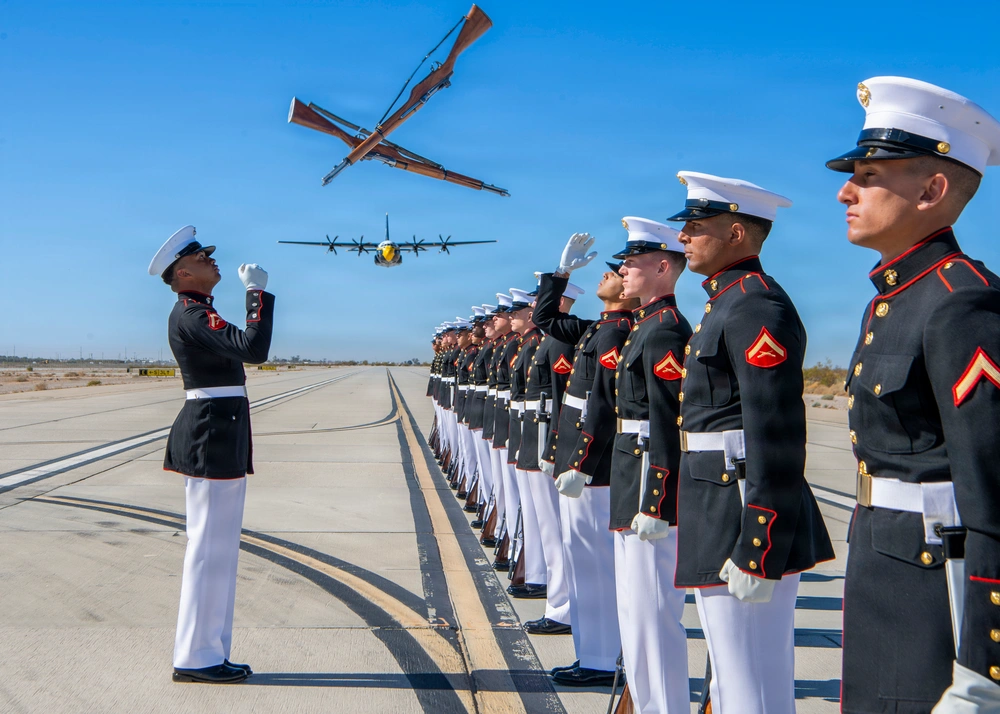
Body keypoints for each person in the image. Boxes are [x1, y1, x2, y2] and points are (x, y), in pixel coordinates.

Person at [825, 76, 1000, 712]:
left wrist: (986, 666)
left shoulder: (961, 301)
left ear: (932, 190)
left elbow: (993, 492)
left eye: (869, 175)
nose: (845, 190)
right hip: (886, 562)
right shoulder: (896, 299)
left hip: (935, 593)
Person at [669, 173, 834, 714]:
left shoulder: (755, 305)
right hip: (716, 496)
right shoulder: (727, 302)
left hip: (741, 505)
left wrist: (758, 542)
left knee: (749, 681)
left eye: (696, 227)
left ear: (736, 232)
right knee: (734, 674)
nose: (684, 238)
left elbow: (775, 426)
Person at [148, 225, 274, 684]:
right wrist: (256, 294)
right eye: (204, 257)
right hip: (210, 436)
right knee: (208, 550)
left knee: (219, 551)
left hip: (220, 434)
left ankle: (209, 652)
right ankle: (195, 657)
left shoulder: (199, 311)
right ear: (183, 272)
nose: (214, 261)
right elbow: (253, 348)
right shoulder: (192, 314)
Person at [534, 234, 638, 687]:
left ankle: (601, 657)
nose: (607, 274)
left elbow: (603, 406)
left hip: (593, 467)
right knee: (583, 559)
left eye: (615, 272)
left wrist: (581, 462)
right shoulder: (600, 328)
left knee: (594, 563)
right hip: (580, 460)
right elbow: (546, 320)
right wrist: (560, 276)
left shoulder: (617, 331)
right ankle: (592, 654)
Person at [608, 218, 692, 712]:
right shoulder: (646, 326)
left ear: (662, 267)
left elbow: (666, 420)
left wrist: (657, 501)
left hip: (646, 480)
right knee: (635, 609)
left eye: (632, 262)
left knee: (653, 612)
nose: (622, 269)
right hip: (630, 475)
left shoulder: (663, 330)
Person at [517, 274, 580, 637]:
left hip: (552, 440)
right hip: (538, 437)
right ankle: (557, 600)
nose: (527, 311)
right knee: (548, 527)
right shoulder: (549, 341)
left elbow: (562, 400)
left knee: (557, 533)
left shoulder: (558, 342)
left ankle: (561, 606)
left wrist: (555, 447)